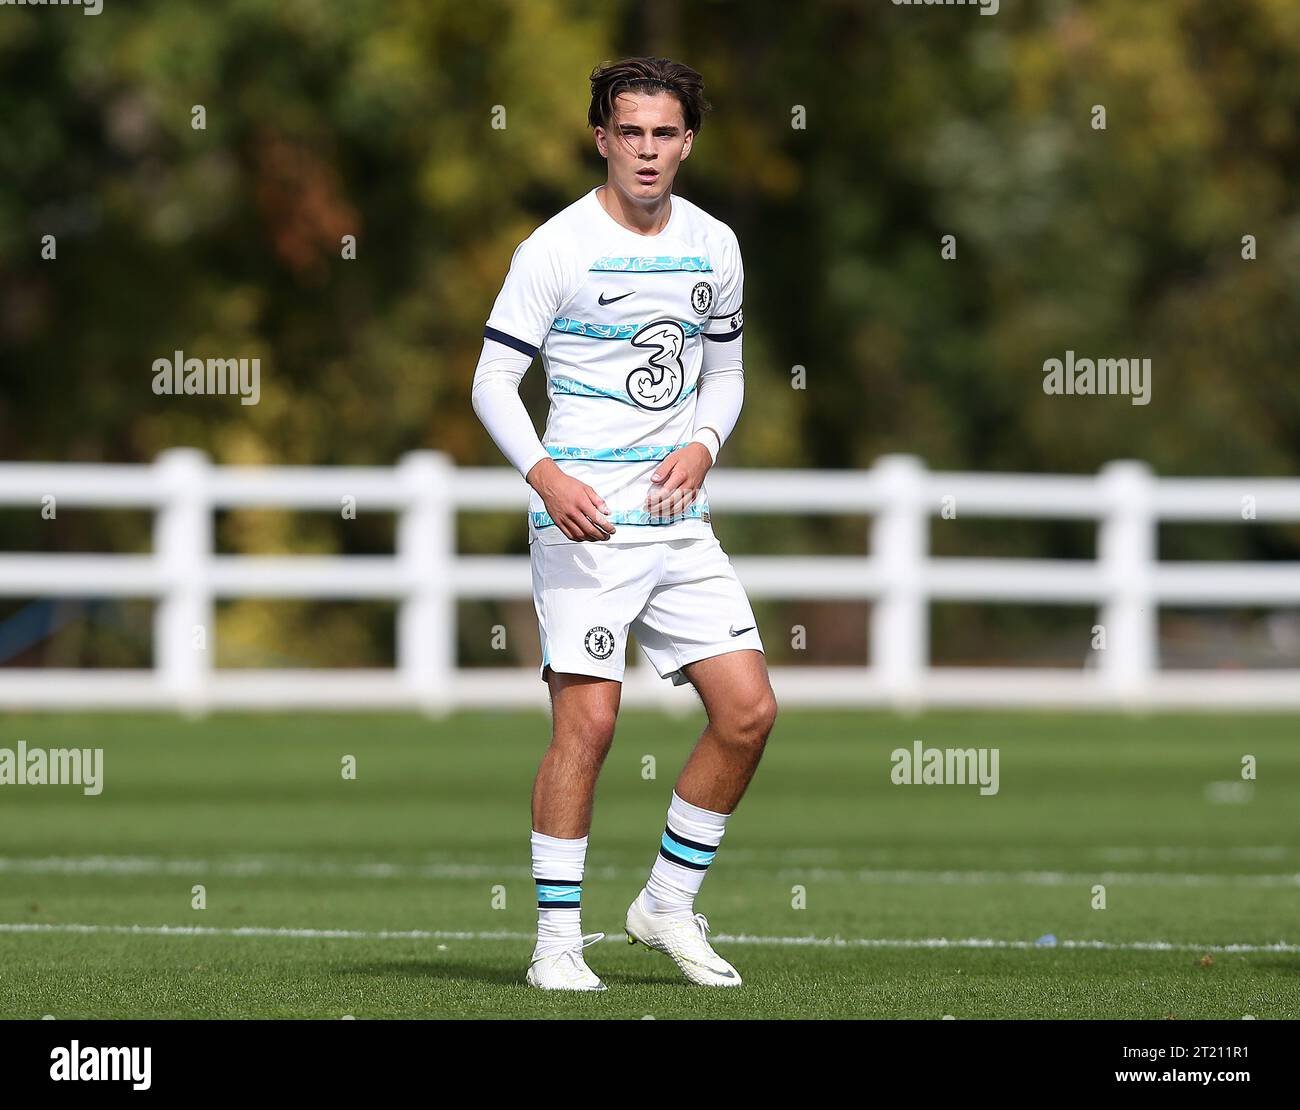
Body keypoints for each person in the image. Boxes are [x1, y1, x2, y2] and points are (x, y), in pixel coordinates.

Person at [471, 56, 778, 991]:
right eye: (629, 132)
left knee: (749, 712)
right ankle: (555, 949)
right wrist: (544, 475)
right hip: (585, 526)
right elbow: (491, 381)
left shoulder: (717, 243)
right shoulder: (555, 248)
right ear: (602, 138)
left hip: (680, 521)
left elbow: (723, 373)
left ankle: (665, 906)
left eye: (664, 134)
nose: (646, 150)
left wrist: (707, 445)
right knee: (589, 728)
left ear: (687, 142)